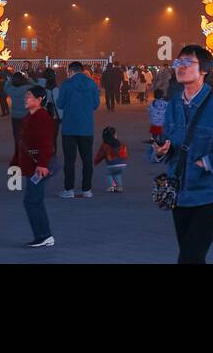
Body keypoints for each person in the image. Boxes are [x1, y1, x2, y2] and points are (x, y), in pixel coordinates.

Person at [153, 45, 213, 264]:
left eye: (187, 63)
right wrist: (161, 151)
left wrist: (209, 162)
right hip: (179, 194)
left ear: (203, 69)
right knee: (190, 256)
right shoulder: (173, 103)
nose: (180, 67)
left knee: (190, 257)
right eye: (178, 62)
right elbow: (167, 139)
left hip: (210, 194)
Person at [12, 85, 56, 247]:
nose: (26, 98)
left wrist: (43, 164)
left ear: (39, 100)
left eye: (29, 96)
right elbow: (22, 144)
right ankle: (45, 235)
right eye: (26, 96)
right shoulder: (28, 117)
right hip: (33, 166)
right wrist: (15, 162)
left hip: (40, 167)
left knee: (31, 201)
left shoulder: (42, 117)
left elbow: (46, 142)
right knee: (35, 200)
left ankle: (43, 235)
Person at [56, 61, 100, 199]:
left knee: (69, 160)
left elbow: (60, 103)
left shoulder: (67, 84)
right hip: (86, 127)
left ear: (71, 71)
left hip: (69, 127)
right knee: (87, 160)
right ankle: (87, 189)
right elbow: (96, 104)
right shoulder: (92, 84)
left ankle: (69, 189)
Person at [5, 71, 36, 156]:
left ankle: (18, 152)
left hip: (15, 115)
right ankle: (26, 152)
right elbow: (37, 86)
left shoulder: (11, 90)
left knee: (16, 135)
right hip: (26, 114)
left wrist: (11, 79)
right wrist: (28, 78)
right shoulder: (27, 89)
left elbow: (6, 86)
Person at [94, 126, 129, 192]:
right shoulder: (120, 143)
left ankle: (111, 187)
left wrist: (96, 161)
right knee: (117, 174)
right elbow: (124, 153)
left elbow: (100, 155)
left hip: (111, 164)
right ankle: (119, 187)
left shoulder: (105, 145)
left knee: (109, 174)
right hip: (122, 164)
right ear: (114, 135)